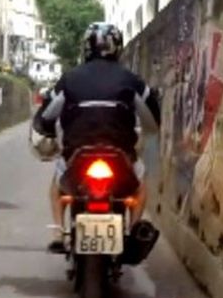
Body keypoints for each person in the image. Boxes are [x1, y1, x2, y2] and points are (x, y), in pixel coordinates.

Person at [32, 22, 162, 253]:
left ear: (86, 48)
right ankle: (131, 234)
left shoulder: (69, 79)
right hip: (120, 153)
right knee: (140, 188)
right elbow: (152, 118)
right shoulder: (131, 80)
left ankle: (59, 233)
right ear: (118, 48)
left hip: (77, 152)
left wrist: (48, 128)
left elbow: (47, 114)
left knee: (58, 187)